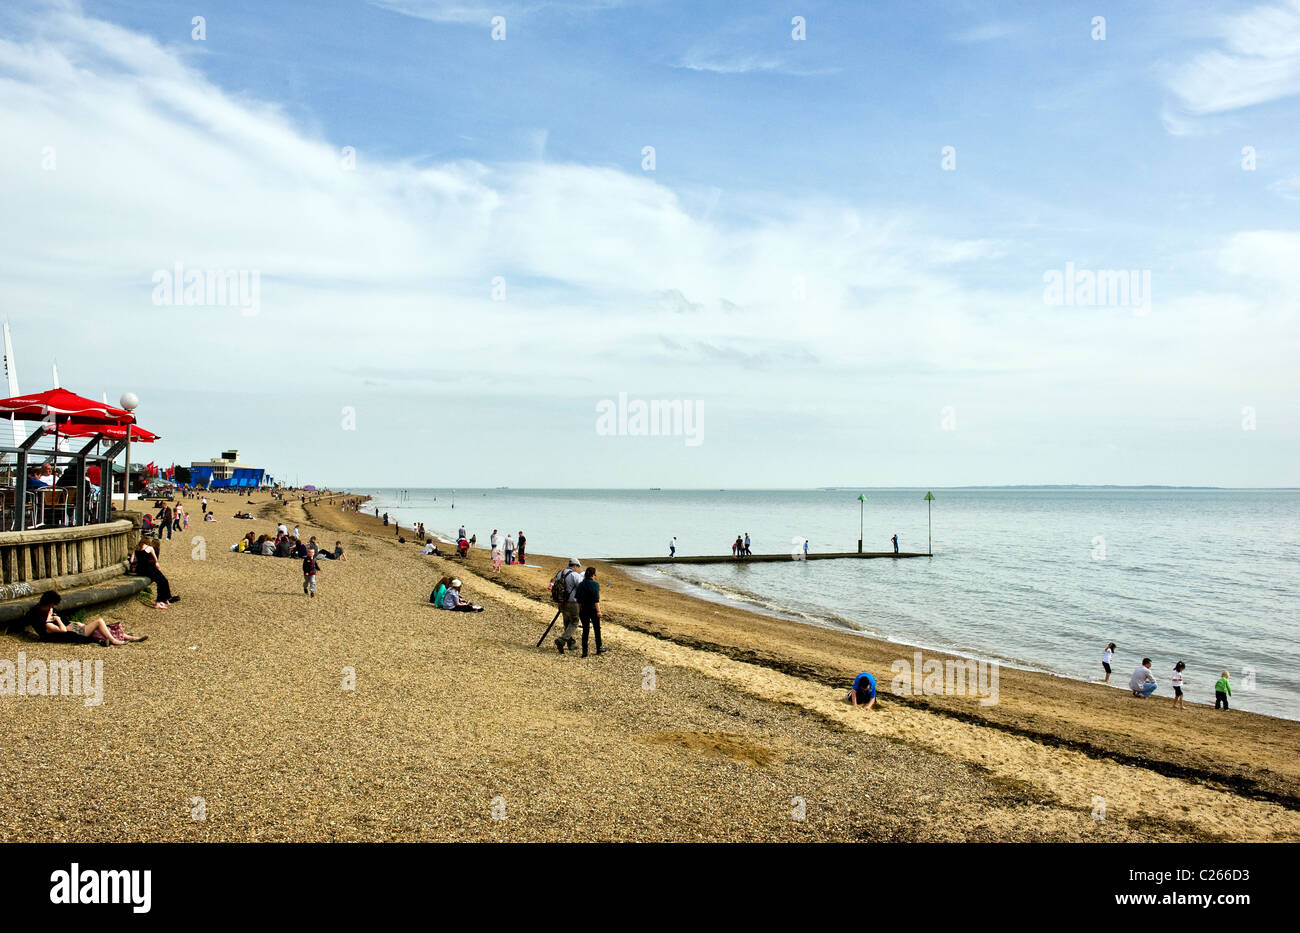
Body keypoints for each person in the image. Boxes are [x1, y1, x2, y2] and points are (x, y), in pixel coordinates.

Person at [16, 592, 141, 645]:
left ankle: (128, 637)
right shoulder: (44, 619)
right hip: (72, 632)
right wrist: (60, 621)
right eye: (52, 606)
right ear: (49, 603)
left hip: (72, 629)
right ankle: (115, 641)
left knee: (101, 628)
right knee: (99, 622)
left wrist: (74, 623)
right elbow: (61, 630)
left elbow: (65, 623)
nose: (53, 608)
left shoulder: (46, 611)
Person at [553, 558, 583, 654]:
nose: (577, 568)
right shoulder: (575, 575)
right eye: (577, 567)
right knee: (574, 622)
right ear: (574, 566)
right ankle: (562, 640)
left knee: (566, 622)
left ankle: (571, 644)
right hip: (572, 602)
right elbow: (581, 587)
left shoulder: (559, 573)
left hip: (561, 601)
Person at [576, 566, 605, 657]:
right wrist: (599, 611)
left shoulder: (580, 584)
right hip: (593, 609)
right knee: (597, 629)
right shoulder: (595, 584)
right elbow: (596, 599)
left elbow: (578, 598)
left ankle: (584, 651)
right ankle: (599, 648)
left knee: (586, 630)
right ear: (593, 574)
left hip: (583, 609)